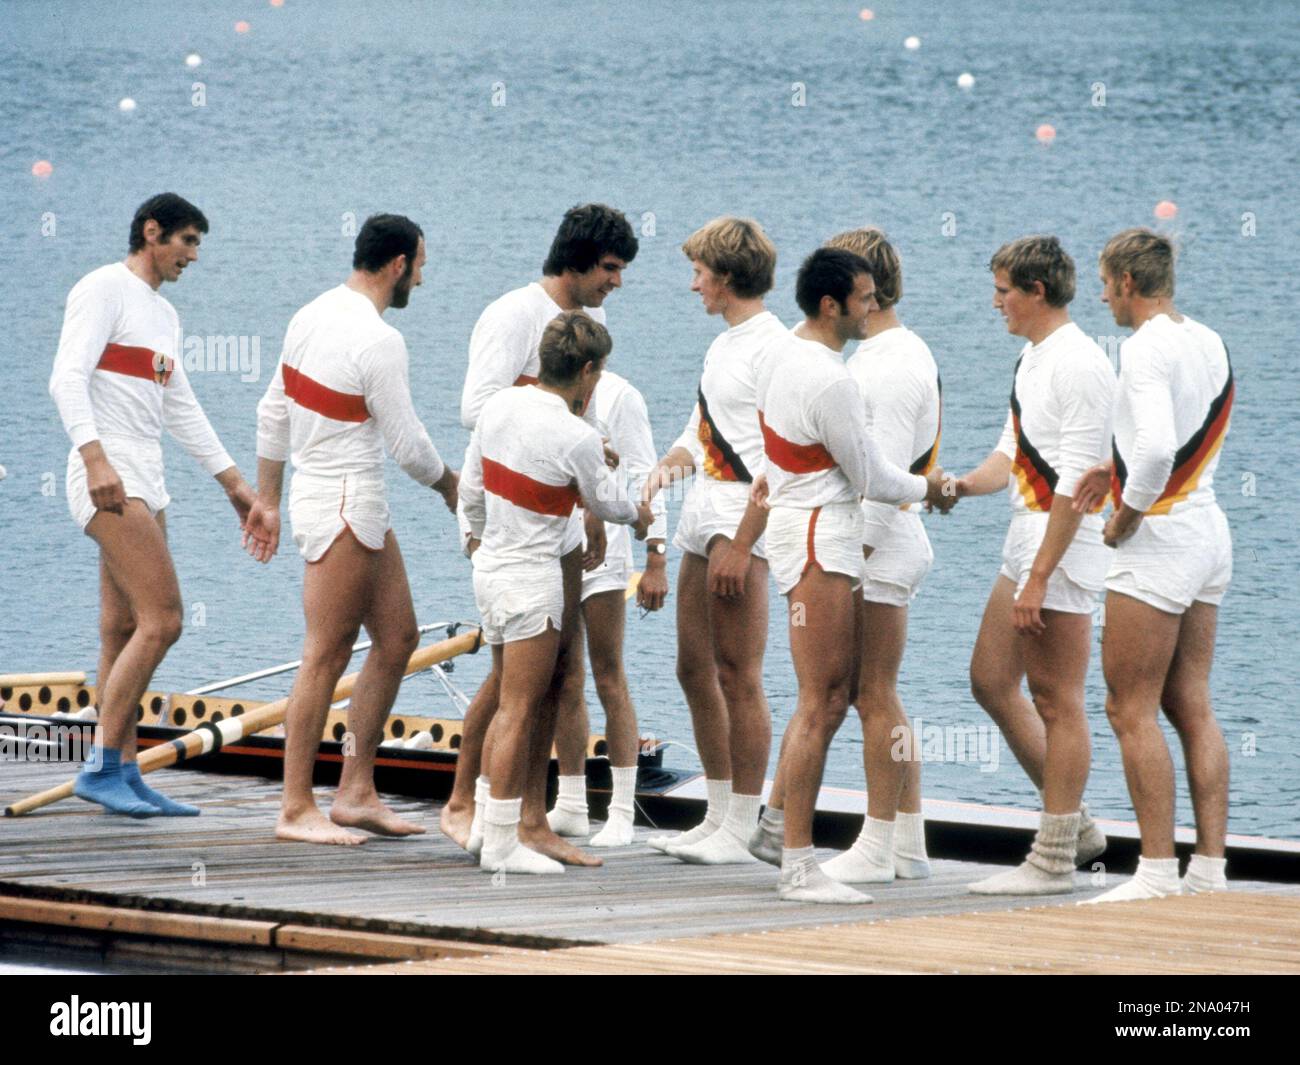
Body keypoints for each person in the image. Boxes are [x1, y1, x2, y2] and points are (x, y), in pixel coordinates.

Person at [244, 213, 458, 846]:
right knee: (326, 654)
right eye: (420, 263)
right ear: (397, 265)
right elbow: (409, 444)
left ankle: (356, 790)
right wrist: (452, 487)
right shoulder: (379, 340)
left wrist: (270, 499)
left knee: (398, 637)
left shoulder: (311, 313)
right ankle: (293, 807)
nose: (423, 274)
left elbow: (271, 410)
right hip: (342, 502)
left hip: (336, 499)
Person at [440, 204, 639, 867]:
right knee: (512, 689)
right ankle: (468, 804)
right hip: (521, 528)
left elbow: (580, 414)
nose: (616, 283)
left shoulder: (593, 322)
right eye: (609, 269)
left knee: (560, 675)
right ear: (576, 261)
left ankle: (530, 818)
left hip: (556, 515)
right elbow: (477, 410)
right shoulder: (512, 315)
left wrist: (582, 498)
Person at [50, 192, 256, 818]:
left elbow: (179, 408)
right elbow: (65, 377)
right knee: (164, 619)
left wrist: (235, 486)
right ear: (151, 231)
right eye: (186, 241)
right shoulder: (102, 288)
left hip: (146, 478)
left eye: (197, 245)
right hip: (107, 476)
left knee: (121, 628)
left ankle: (126, 769)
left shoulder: (164, 316)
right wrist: (94, 461)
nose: (192, 255)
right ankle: (101, 767)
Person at [757, 248, 949, 903]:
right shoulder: (833, 379)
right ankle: (798, 864)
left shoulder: (783, 352)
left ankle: (807, 851)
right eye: (865, 297)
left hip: (802, 528)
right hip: (819, 535)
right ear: (832, 304)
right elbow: (872, 476)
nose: (875, 307)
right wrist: (936, 485)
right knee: (824, 702)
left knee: (832, 699)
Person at [1075, 229, 1234, 902]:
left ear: (1130, 285)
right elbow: (1187, 430)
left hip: (1159, 540)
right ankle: (1210, 869)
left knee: (1127, 706)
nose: (1103, 294)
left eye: (1107, 283)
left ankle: (1157, 872)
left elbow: (1160, 447)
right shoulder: (1207, 338)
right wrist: (1113, 469)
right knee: (1190, 702)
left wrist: (1125, 514)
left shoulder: (1142, 347)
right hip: (1209, 532)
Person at [955, 235, 1115, 895]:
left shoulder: (1080, 363)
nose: (996, 303)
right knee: (991, 680)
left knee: (1057, 699)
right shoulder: (1032, 357)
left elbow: (1078, 482)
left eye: (1003, 291)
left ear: (1036, 292)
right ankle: (1075, 827)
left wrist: (1042, 575)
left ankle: (1052, 857)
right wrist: (956, 486)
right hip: (1026, 537)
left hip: (1063, 548)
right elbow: (1009, 454)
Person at [641, 217, 788, 865]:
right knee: (692, 666)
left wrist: (745, 541)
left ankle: (746, 821)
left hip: (741, 521)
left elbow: (785, 459)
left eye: (700, 270)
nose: (693, 282)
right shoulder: (723, 344)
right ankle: (720, 810)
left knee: (739, 675)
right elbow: (701, 429)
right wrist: (663, 468)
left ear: (728, 276)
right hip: (702, 511)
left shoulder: (775, 348)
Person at [547, 368, 668, 847]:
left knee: (608, 674)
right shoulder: (546, 390)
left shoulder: (623, 396)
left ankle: (621, 811)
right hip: (553, 542)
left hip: (608, 549)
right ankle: (572, 803)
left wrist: (656, 554)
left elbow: (647, 474)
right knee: (563, 675)